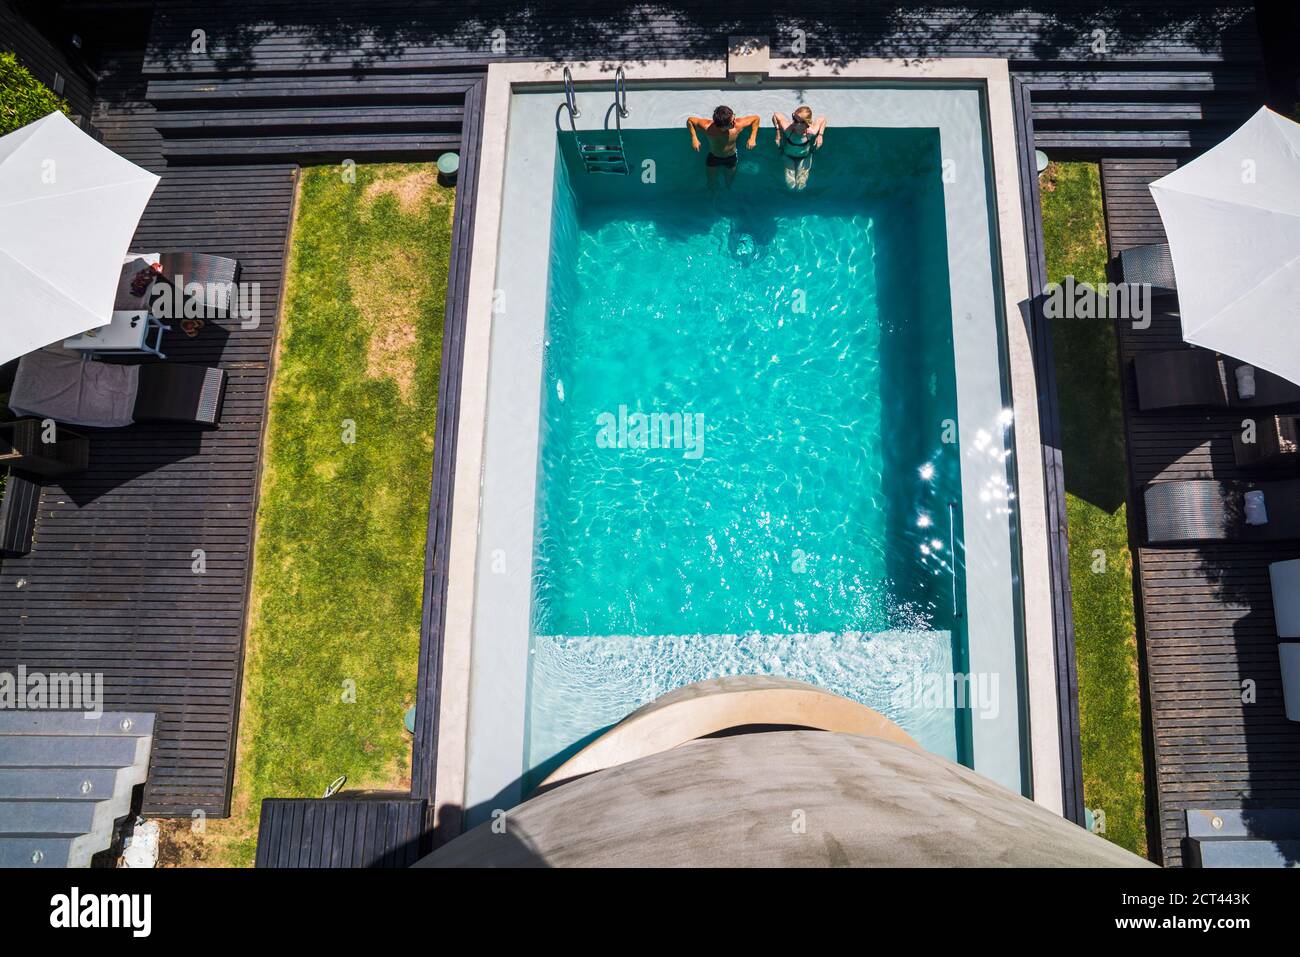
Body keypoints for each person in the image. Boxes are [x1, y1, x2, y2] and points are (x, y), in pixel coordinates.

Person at [687, 105, 760, 188]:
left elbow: (756, 118)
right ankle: (713, 194)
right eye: (731, 122)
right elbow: (690, 121)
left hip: (731, 157)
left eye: (734, 117)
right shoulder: (707, 127)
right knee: (711, 182)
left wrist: (753, 137)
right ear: (722, 126)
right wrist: (694, 138)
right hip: (713, 157)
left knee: (729, 182)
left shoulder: (738, 125)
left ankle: (727, 190)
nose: (735, 122)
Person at [772, 106, 827, 190]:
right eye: (793, 118)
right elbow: (776, 115)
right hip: (788, 157)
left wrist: (820, 135)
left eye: (797, 120)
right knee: (790, 186)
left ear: (806, 123)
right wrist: (778, 131)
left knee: (800, 186)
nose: (793, 122)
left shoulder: (811, 132)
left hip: (804, 157)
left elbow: (822, 119)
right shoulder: (788, 130)